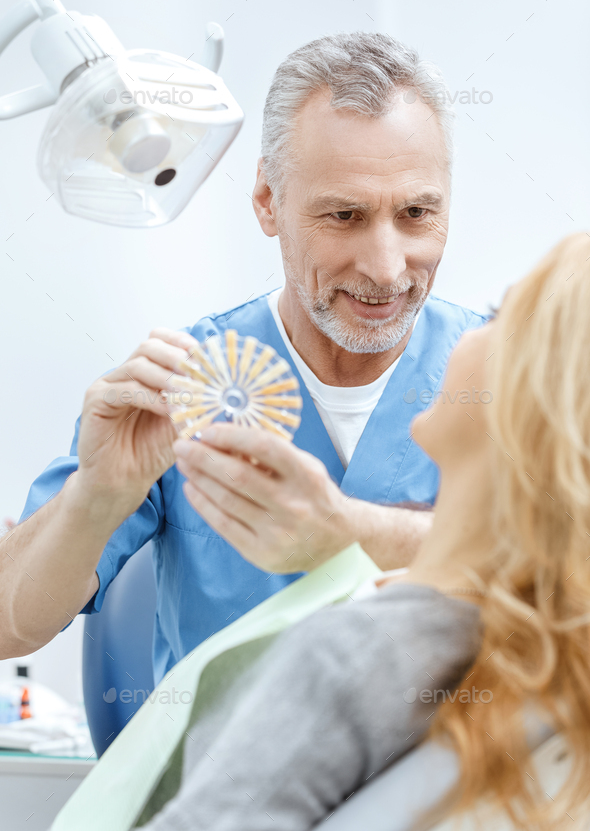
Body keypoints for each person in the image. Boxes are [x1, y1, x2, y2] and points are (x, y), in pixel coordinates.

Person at [0, 31, 485, 678]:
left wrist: (349, 531)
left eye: (417, 212)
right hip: (229, 748)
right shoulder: (186, 385)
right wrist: (96, 495)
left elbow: (566, 578)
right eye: (344, 215)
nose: (386, 267)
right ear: (267, 201)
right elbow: (10, 624)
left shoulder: (514, 376)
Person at [133, 232, 590, 830]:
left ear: (530, 404)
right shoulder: (546, 652)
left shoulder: (350, 659)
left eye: (500, 315)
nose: (385, 267)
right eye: (345, 216)